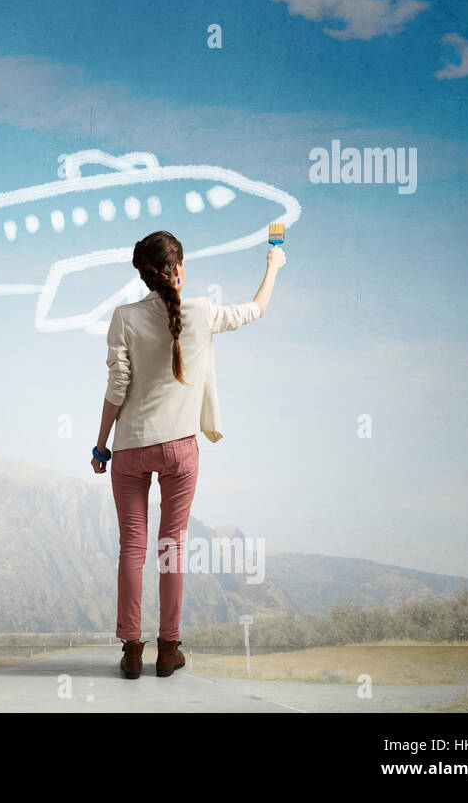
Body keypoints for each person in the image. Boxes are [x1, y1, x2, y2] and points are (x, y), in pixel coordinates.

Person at [91, 231, 285, 679]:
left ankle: (132, 650)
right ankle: (169, 649)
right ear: (178, 269)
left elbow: (117, 387)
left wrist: (102, 445)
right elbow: (256, 310)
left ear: (143, 275)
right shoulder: (201, 312)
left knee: (132, 547)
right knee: (171, 547)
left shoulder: (123, 318)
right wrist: (274, 265)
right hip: (180, 450)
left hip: (130, 450)